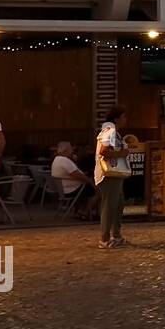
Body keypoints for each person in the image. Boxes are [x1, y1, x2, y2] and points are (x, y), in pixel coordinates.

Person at [94, 105, 130, 249]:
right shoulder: (111, 132)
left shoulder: (110, 132)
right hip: (109, 175)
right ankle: (104, 237)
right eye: (123, 117)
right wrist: (121, 154)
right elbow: (104, 150)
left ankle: (116, 234)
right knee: (109, 205)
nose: (125, 120)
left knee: (118, 204)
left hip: (114, 175)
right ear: (116, 119)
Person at [51, 140, 94, 217]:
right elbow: (76, 174)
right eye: (71, 148)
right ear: (65, 150)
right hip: (72, 190)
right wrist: (89, 181)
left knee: (91, 187)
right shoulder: (64, 161)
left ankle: (83, 211)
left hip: (65, 189)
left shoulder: (57, 159)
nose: (73, 150)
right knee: (97, 190)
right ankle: (85, 212)